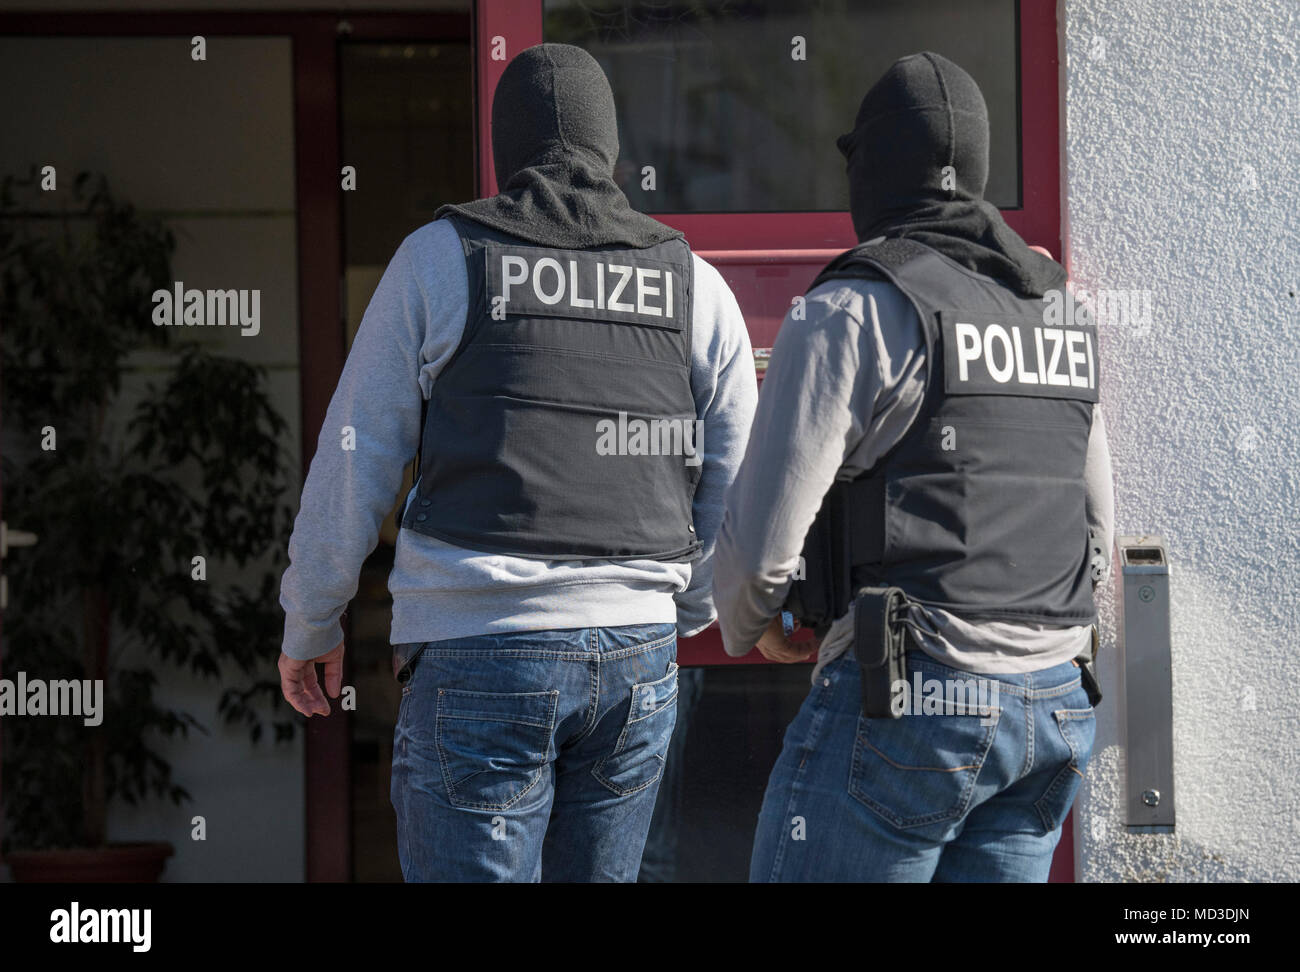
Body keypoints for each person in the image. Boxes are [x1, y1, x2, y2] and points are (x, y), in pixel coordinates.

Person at [277, 43, 756, 882]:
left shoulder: (441, 257)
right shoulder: (694, 284)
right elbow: (736, 468)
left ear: (508, 150)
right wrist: (683, 605)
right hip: (634, 660)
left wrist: (313, 619)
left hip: (479, 650)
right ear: (610, 148)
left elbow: (357, 449)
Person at [713, 52, 1113, 882]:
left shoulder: (855, 306)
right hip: (1051, 709)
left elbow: (761, 545)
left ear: (877, 171)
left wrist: (749, 626)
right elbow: (1094, 529)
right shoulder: (1055, 309)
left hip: (914, 703)